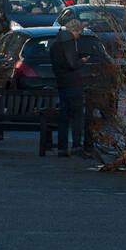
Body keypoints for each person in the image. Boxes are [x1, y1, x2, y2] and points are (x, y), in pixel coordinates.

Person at [49, 20, 89, 156]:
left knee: (63, 116)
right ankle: (77, 146)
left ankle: (62, 147)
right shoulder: (69, 42)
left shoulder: (56, 42)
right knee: (77, 115)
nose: (80, 35)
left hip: (61, 82)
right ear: (76, 31)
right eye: (80, 32)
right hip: (72, 83)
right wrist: (82, 61)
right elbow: (72, 63)